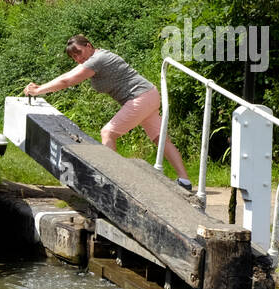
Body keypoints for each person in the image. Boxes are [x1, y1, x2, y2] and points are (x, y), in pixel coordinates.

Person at [23, 34, 193, 191]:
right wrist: (40, 87)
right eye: (74, 57)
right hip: (148, 95)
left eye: (79, 52)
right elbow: (68, 75)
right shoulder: (94, 59)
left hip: (140, 97)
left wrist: (38, 91)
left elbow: (67, 81)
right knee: (159, 138)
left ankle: (112, 182)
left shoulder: (98, 59)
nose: (78, 58)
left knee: (108, 132)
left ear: (89, 45)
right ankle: (185, 182)